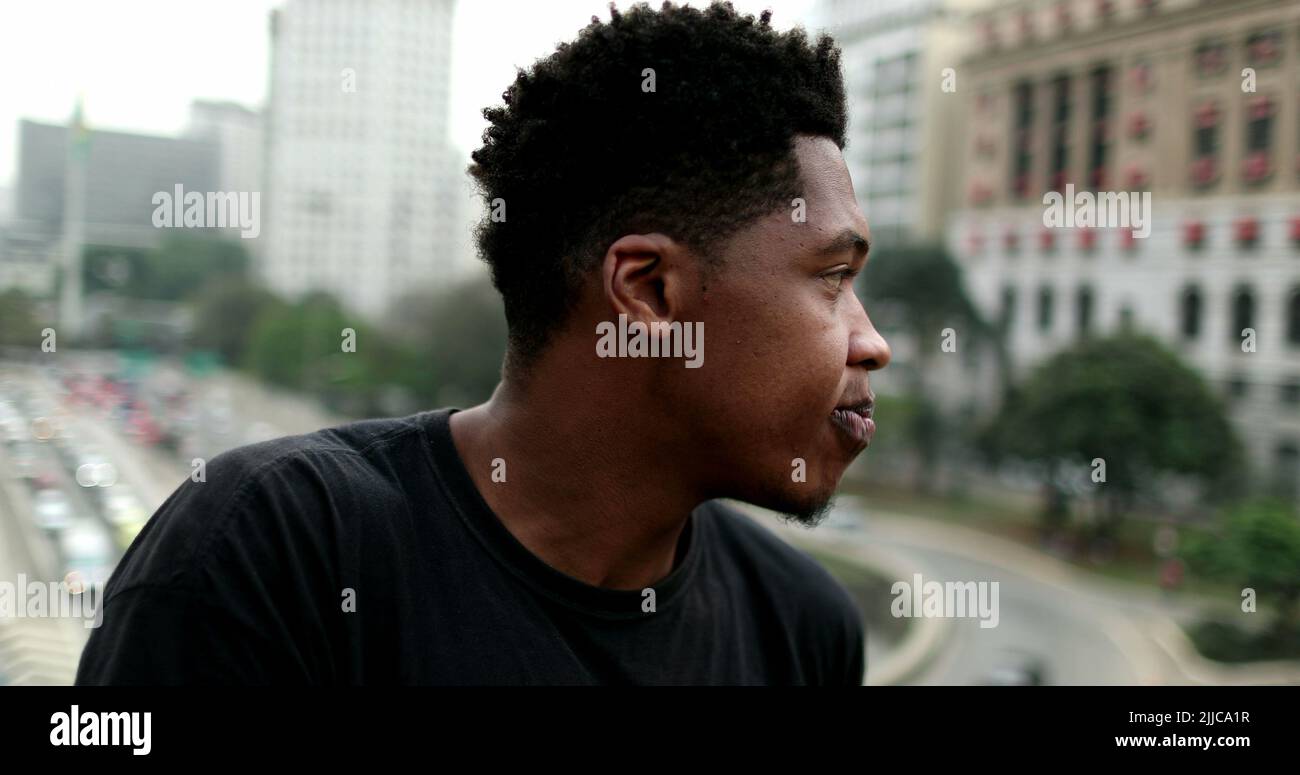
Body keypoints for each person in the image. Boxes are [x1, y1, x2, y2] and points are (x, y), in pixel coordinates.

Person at [76, 1, 890, 686]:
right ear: (647, 291)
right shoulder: (272, 555)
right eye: (832, 277)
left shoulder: (802, 628)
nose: (872, 342)